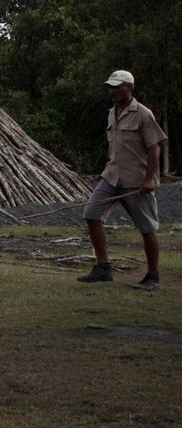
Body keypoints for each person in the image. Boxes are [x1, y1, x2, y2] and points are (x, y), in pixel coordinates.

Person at [78, 70, 167, 290]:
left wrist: (150, 179)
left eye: (117, 87)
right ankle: (103, 267)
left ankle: (152, 275)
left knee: (147, 228)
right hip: (111, 176)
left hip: (135, 180)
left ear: (129, 87)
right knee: (91, 214)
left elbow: (154, 149)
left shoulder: (143, 114)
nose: (113, 91)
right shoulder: (112, 113)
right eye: (111, 87)